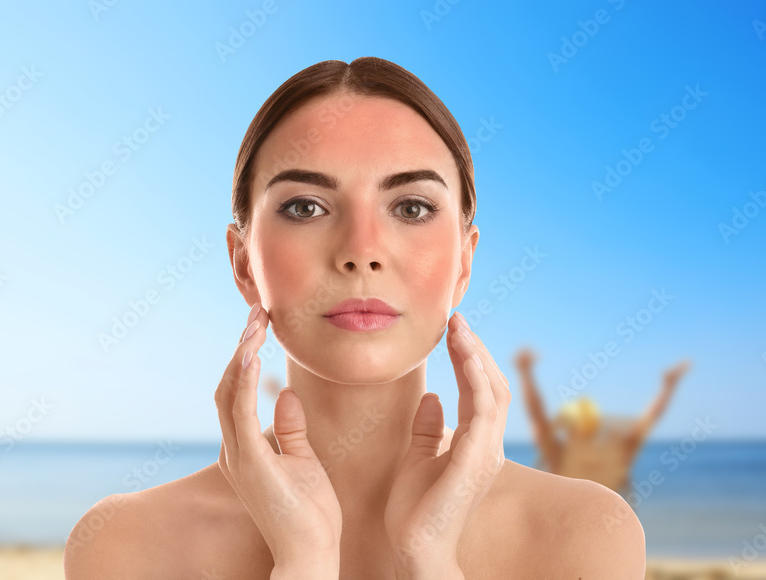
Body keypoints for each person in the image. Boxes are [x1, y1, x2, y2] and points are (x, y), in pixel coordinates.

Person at [64, 57, 645, 579]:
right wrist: (304, 563)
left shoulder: (585, 536)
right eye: (305, 207)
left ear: (464, 262)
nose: (361, 251)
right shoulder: (126, 547)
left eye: (411, 207)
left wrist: (429, 560)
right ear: (243, 262)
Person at [515, 347, 691, 497]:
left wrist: (525, 373)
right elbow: (648, 420)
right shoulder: (616, 455)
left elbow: (537, 418)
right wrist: (668, 386)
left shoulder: (562, 458)